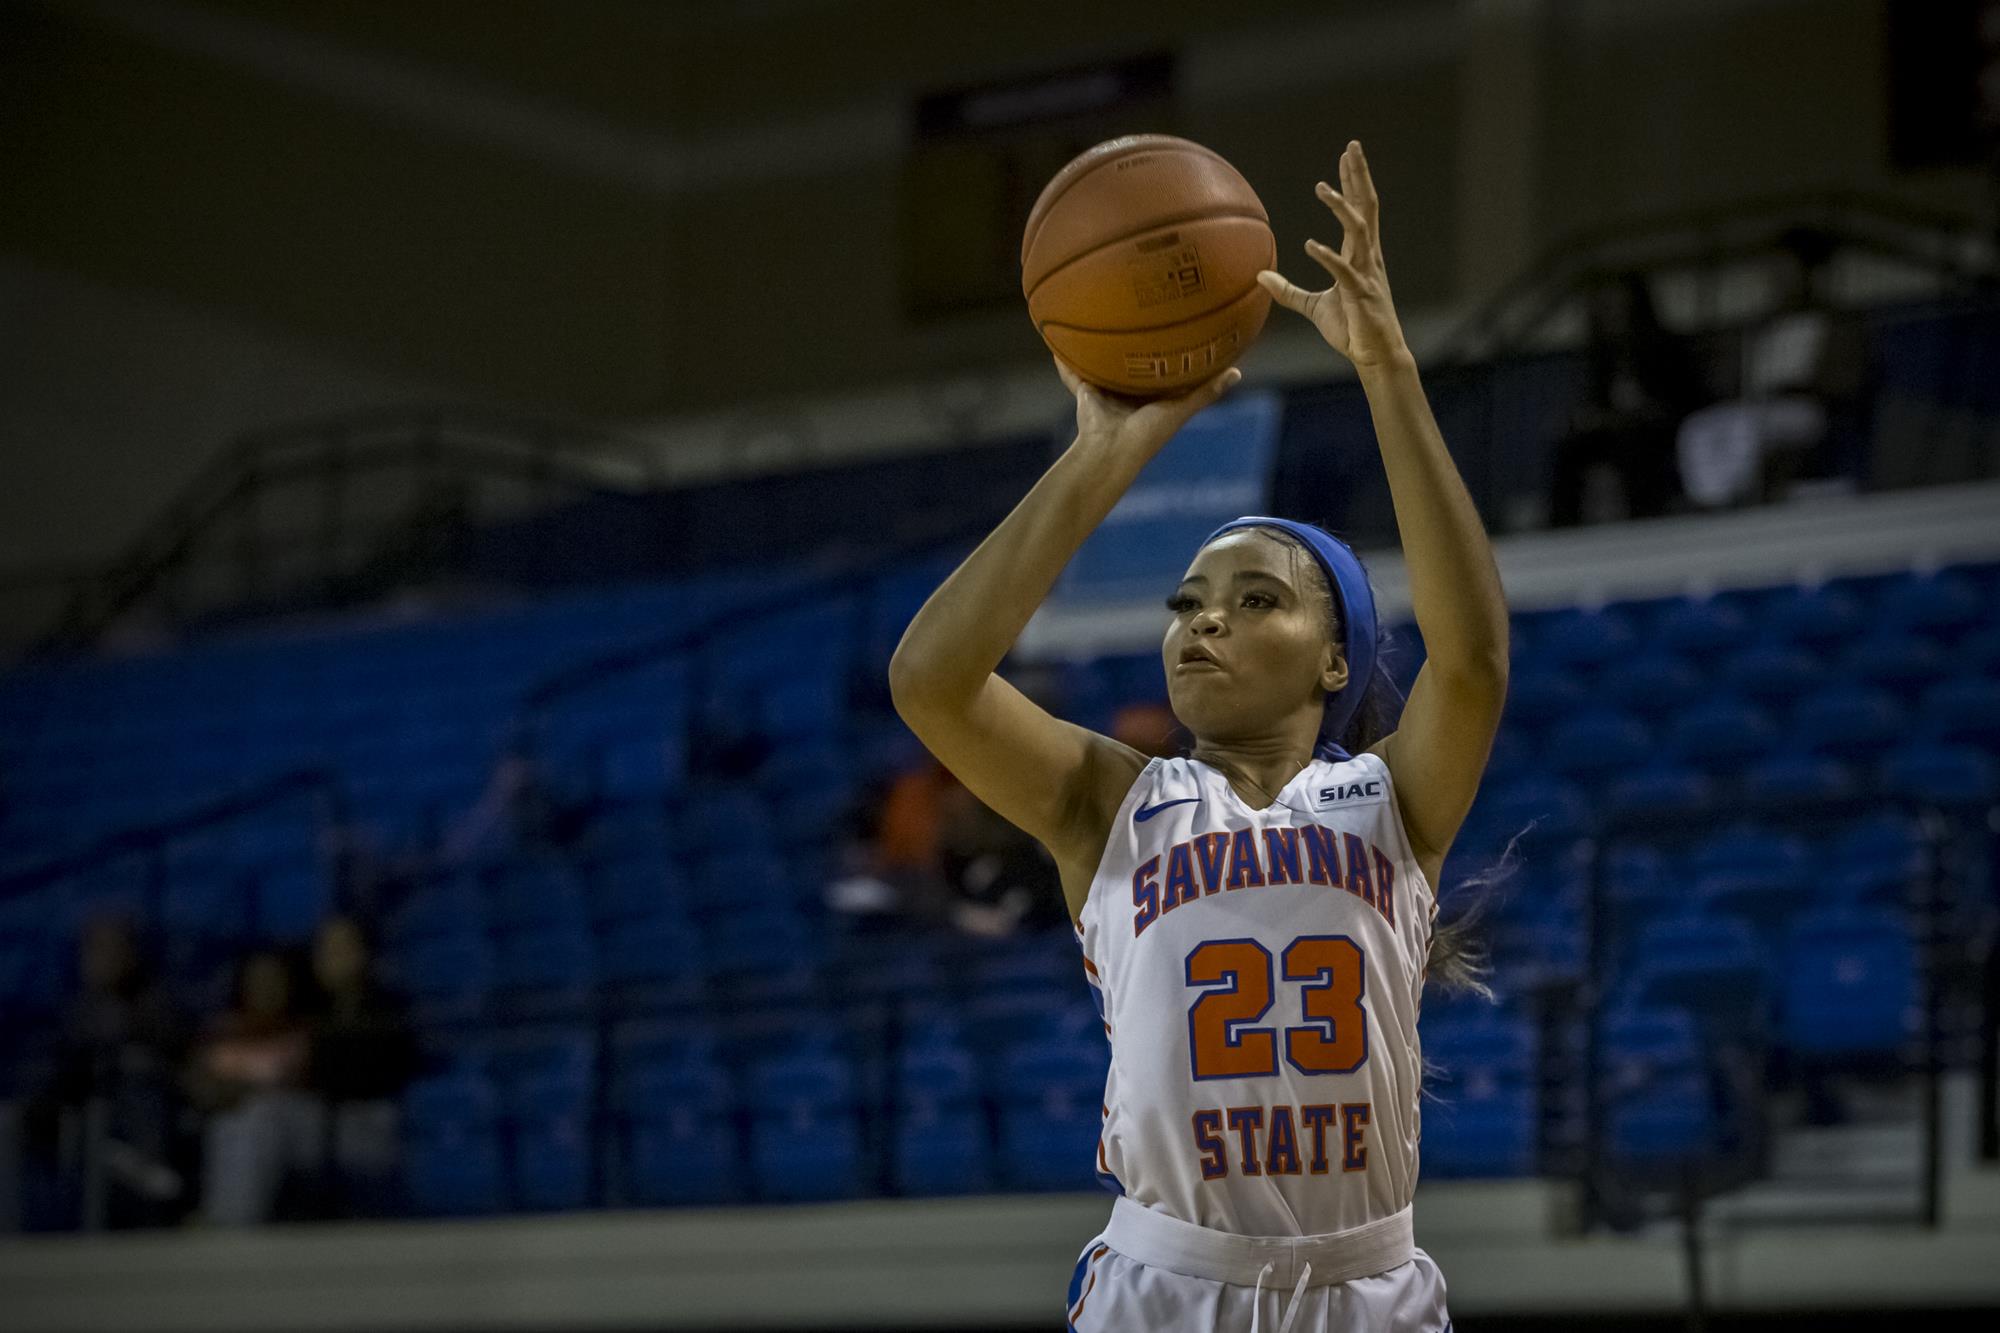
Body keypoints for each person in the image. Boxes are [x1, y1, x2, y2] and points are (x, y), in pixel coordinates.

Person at [891, 140, 1501, 1332]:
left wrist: (1383, 368)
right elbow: (931, 680)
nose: (1203, 621)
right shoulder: (1111, 801)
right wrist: (1101, 454)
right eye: (1185, 603)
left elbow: (1471, 660)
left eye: (1254, 600)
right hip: (1167, 1286)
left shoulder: (1393, 805)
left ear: (1337, 658)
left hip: (1367, 1289)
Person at [1547, 271, 1702, 526]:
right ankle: (1561, 525)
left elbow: (1684, 399)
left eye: (1618, 306)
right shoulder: (1601, 358)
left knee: (1633, 445)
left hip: (1658, 429)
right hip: (1613, 428)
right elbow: (1596, 403)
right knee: (1571, 450)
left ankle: (1643, 519)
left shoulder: (1666, 348)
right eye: (1605, 308)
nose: (1612, 314)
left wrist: (1643, 410)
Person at [184, 948, 315, 1226]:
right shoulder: (222, 1031)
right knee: (232, 1124)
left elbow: (300, 1082)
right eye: (258, 980)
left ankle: (231, 1224)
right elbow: (199, 1087)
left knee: (259, 1116)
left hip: (296, 1126)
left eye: (274, 981)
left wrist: (240, 1089)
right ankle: (224, 1219)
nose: (266, 989)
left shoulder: (303, 1031)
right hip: (234, 1123)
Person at [305, 916, 417, 1218]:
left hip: (372, 1115)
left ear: (363, 953)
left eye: (342, 948)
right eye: (326, 950)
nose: (334, 959)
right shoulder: (310, 1011)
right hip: (320, 1118)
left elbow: (385, 1072)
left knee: (353, 1128)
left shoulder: (387, 1007)